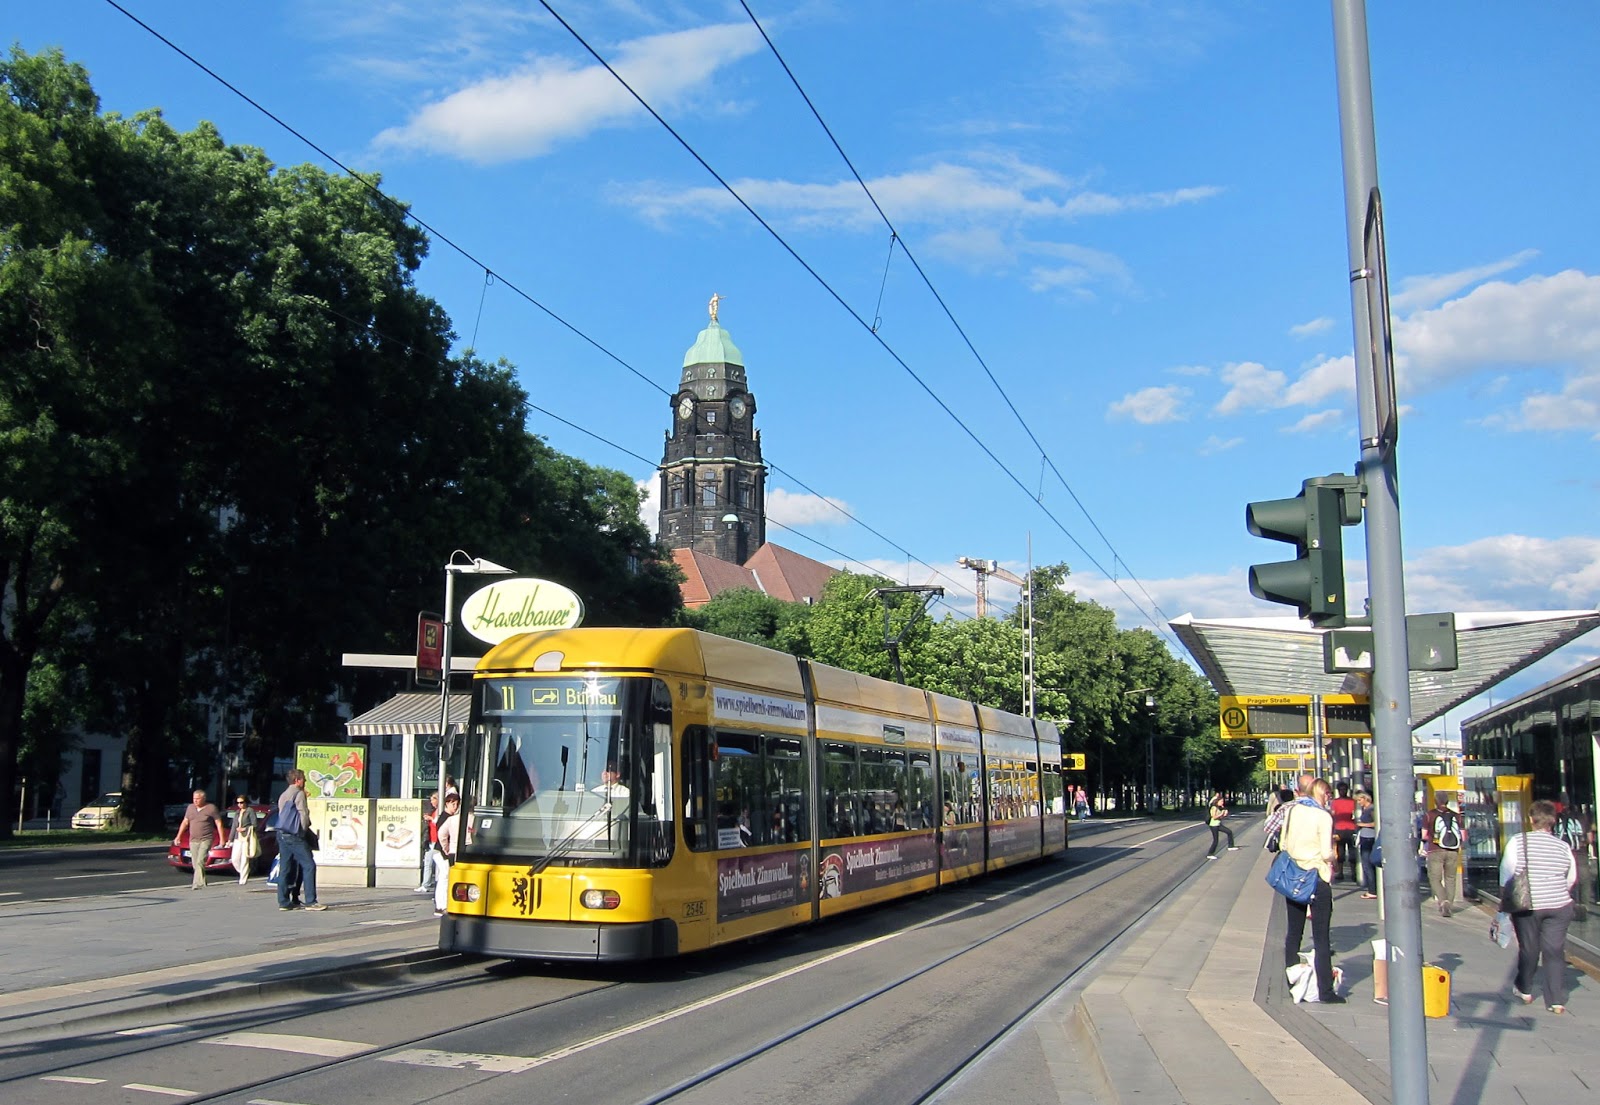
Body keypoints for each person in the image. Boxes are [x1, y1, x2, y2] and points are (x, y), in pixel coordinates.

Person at [1502, 799, 1578, 1013]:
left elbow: (1507, 873)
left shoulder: (1518, 842)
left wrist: (1505, 901)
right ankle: (1556, 1001)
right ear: (1552, 822)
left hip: (1529, 904)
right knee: (1554, 950)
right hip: (1559, 905)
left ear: (1530, 819)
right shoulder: (1563, 847)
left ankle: (1524, 989)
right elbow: (1571, 878)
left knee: (1529, 948)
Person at [1282, 777, 1343, 1003]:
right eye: (1329, 795)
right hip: (1316, 877)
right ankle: (1325, 990)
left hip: (1294, 876)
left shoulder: (1292, 811)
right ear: (1324, 794)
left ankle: (1291, 979)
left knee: (1293, 932)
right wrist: (1334, 862)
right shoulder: (1322, 816)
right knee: (1321, 936)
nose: (1330, 799)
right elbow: (1327, 852)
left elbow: (1283, 844)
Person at [275, 768, 327, 912]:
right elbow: (302, 814)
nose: (305, 781)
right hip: (294, 835)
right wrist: (303, 831)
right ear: (297, 780)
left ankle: (283, 901)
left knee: (285, 868)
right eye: (304, 779)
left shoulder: (283, 794)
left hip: (281, 833)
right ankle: (311, 901)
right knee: (309, 864)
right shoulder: (299, 794)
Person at [1422, 789, 1465, 916]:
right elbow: (1463, 836)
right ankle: (1449, 904)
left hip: (1435, 850)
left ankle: (1442, 900)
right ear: (1447, 801)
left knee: (1435, 878)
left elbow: (1424, 835)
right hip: (1453, 850)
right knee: (1450, 878)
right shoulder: (1457, 815)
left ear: (1435, 801)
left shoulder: (1430, 815)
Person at [176, 789, 225, 890]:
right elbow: (185, 822)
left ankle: (196, 884)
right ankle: (202, 881)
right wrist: (178, 836)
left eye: (198, 799)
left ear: (204, 798)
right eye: (194, 799)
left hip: (206, 838)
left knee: (200, 861)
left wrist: (222, 839)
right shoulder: (190, 808)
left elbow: (219, 824)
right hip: (193, 839)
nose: (195, 801)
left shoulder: (211, 808)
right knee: (195, 863)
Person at [434, 792, 461, 916]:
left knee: (444, 878)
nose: (455, 807)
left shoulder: (446, 817)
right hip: (442, 851)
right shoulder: (445, 817)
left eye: (457, 804)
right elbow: (442, 835)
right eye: (453, 804)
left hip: (441, 851)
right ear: (447, 804)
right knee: (444, 877)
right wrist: (447, 850)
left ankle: (441, 904)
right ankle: (441, 905)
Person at [229, 797, 260, 886]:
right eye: (238, 803)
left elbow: (254, 825)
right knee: (235, 858)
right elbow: (234, 826)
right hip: (237, 838)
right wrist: (230, 839)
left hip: (246, 837)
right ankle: (243, 871)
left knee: (244, 858)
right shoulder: (237, 812)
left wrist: (244, 829)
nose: (239, 804)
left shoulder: (250, 811)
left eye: (241, 802)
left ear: (246, 802)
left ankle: (243, 878)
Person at [1330, 783, 1358, 882]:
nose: (1343, 791)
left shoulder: (1348, 801)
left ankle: (1353, 872)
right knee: (1340, 851)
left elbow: (1332, 814)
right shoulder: (1340, 802)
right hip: (1341, 828)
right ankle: (1342, 872)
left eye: (1344, 789)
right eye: (1341, 789)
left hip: (1347, 828)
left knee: (1352, 852)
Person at [415, 791, 441, 894]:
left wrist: (430, 818)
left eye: (433, 799)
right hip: (431, 840)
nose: (431, 802)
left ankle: (426, 884)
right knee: (429, 863)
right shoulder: (434, 811)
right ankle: (426, 884)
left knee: (430, 864)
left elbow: (438, 823)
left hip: (435, 841)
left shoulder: (439, 811)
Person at [1355, 792, 1378, 898]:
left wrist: (1362, 824)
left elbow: (1376, 823)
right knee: (1367, 864)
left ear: (1365, 799)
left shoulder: (1371, 809)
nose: (1358, 803)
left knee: (1368, 864)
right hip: (1365, 837)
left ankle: (1372, 890)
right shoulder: (1367, 809)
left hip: (1369, 838)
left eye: (1360, 800)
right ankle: (1373, 888)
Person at [1204, 793, 1237, 858]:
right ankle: (1210, 854)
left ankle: (1230, 846)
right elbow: (1214, 817)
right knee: (1216, 840)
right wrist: (1221, 814)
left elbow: (1219, 818)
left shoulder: (1218, 808)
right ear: (1217, 801)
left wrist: (1224, 815)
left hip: (1218, 824)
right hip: (1213, 825)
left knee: (1229, 832)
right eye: (1221, 801)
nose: (1222, 803)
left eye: (1223, 801)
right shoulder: (1213, 808)